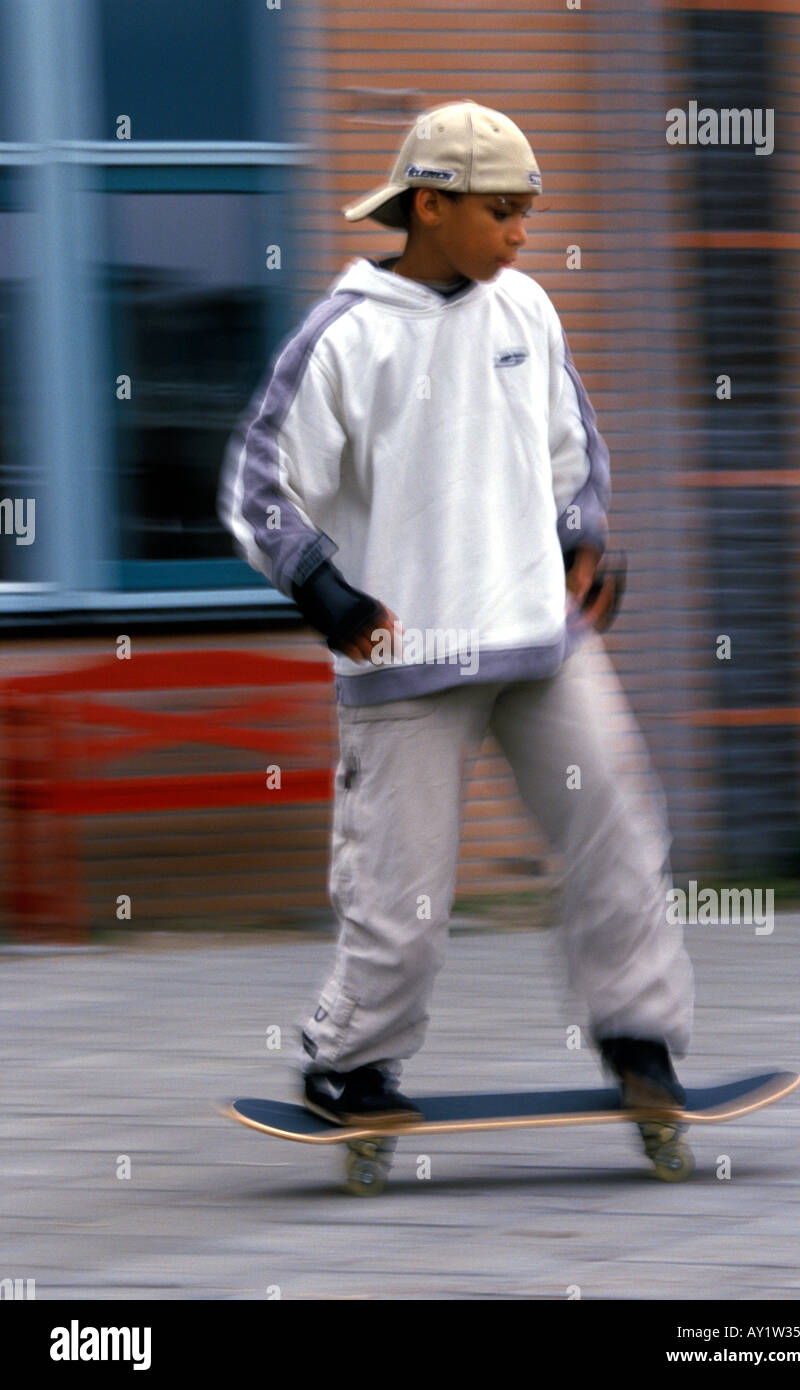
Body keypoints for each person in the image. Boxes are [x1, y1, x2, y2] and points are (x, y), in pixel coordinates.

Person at [218, 100, 694, 1156]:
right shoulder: (345, 335)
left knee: (616, 827)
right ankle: (348, 1063)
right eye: (501, 211)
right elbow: (260, 486)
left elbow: (571, 451)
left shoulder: (526, 309)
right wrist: (323, 591)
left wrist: (581, 543)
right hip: (403, 651)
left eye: (526, 212)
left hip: (539, 639)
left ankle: (638, 1040)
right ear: (429, 206)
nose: (521, 233)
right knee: (400, 891)